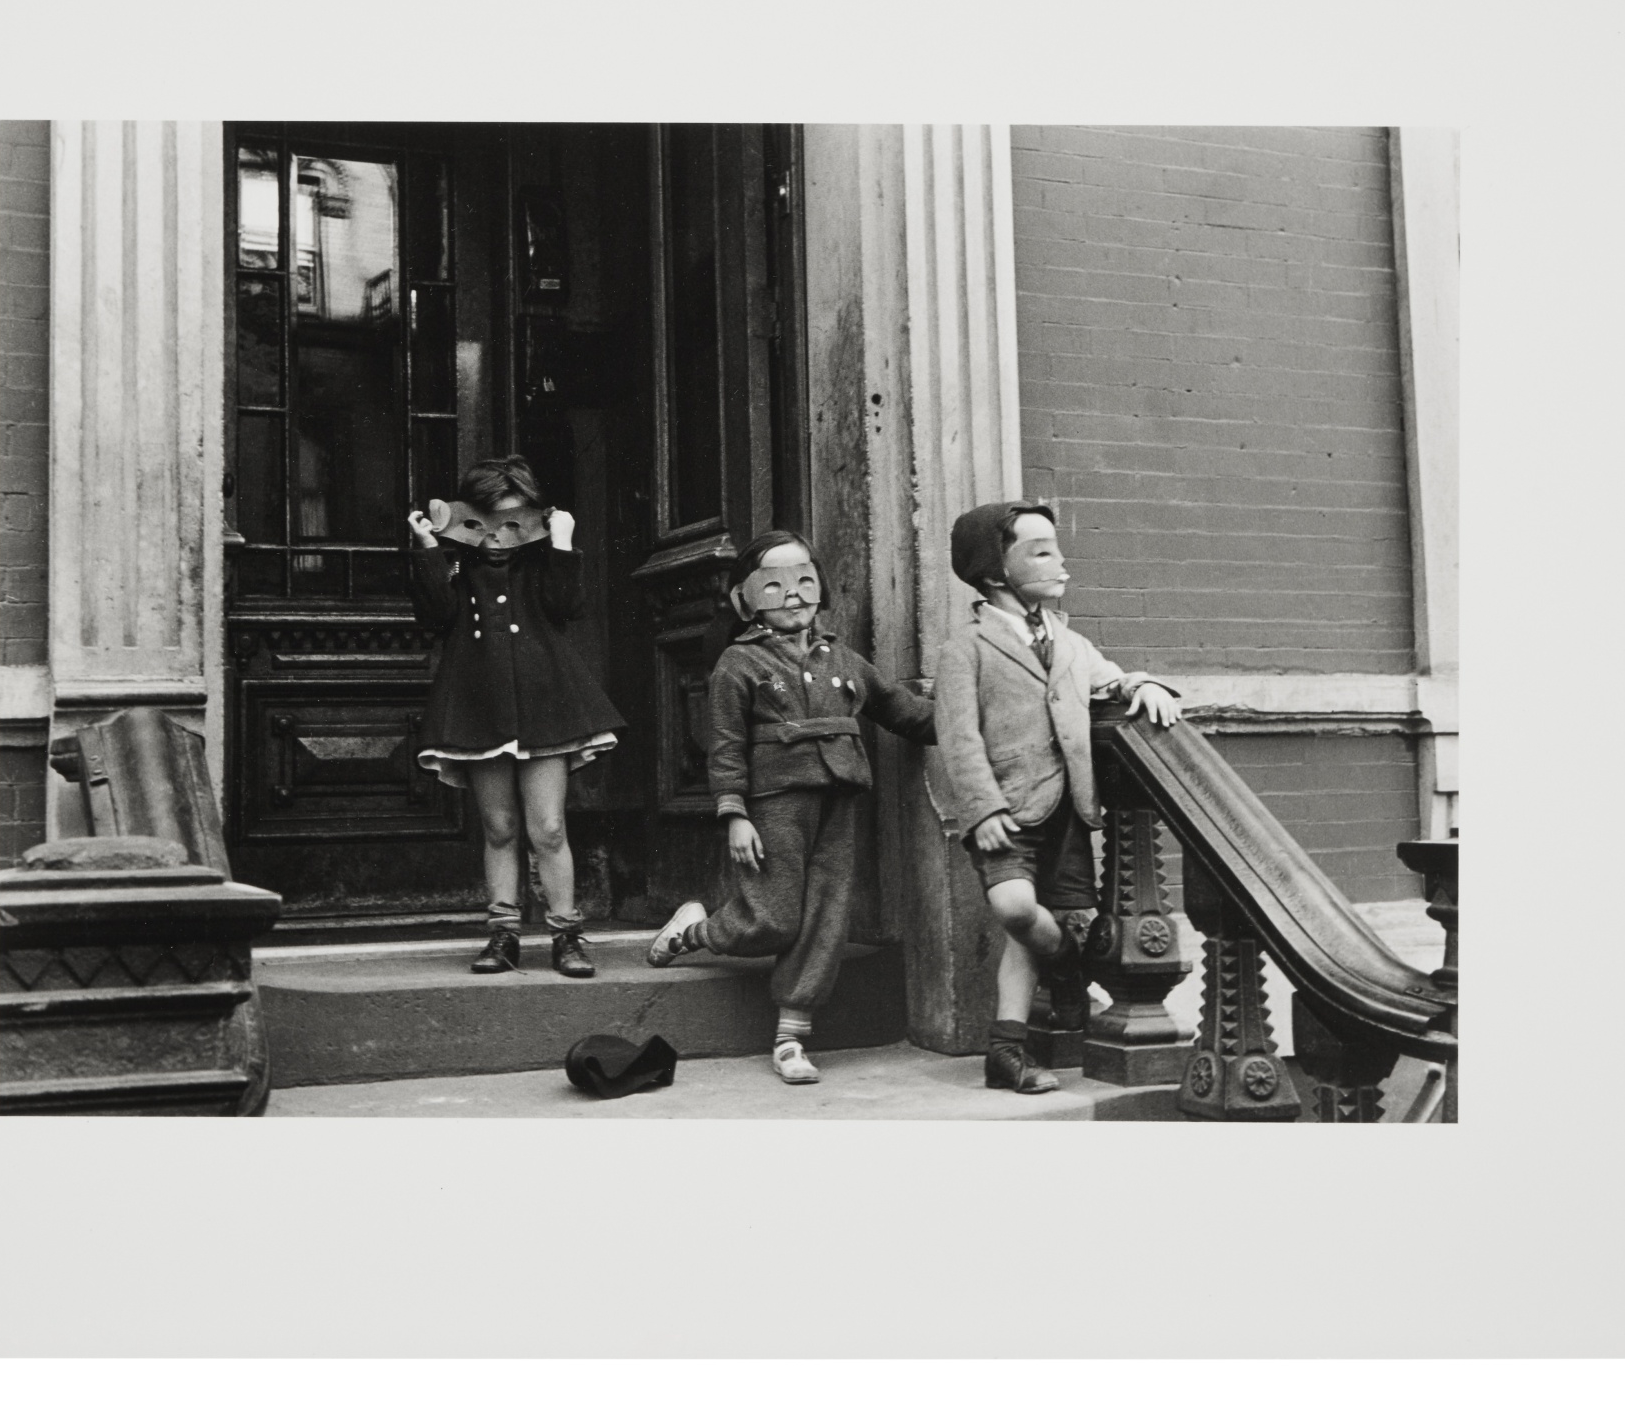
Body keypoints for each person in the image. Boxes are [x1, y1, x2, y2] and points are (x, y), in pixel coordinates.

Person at [647, 531, 936, 1083]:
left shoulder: (843, 659)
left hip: (839, 797)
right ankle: (695, 932)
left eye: (804, 580)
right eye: (774, 585)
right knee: (775, 917)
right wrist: (735, 814)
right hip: (775, 804)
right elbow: (725, 746)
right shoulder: (739, 663)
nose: (793, 595)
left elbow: (903, 711)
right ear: (747, 599)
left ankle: (791, 1038)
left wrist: (972, 715)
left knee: (825, 916)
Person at [932, 500, 1182, 1092]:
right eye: (1041, 551)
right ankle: (1067, 970)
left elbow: (1107, 677)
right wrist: (983, 809)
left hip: (1069, 807)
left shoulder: (1069, 641)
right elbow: (957, 736)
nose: (1060, 561)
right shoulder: (964, 648)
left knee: (1052, 920)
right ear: (997, 573)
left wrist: (1140, 683)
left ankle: (1007, 1051)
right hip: (1007, 810)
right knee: (1017, 910)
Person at [409, 455, 626, 978]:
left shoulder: (540, 559)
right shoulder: (457, 560)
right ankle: (503, 934)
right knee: (500, 826)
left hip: (544, 704)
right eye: (482, 521)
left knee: (548, 827)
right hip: (478, 703)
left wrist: (562, 543)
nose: (494, 537)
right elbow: (435, 615)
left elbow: (564, 606)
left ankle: (565, 935)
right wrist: (428, 549)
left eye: (509, 520)